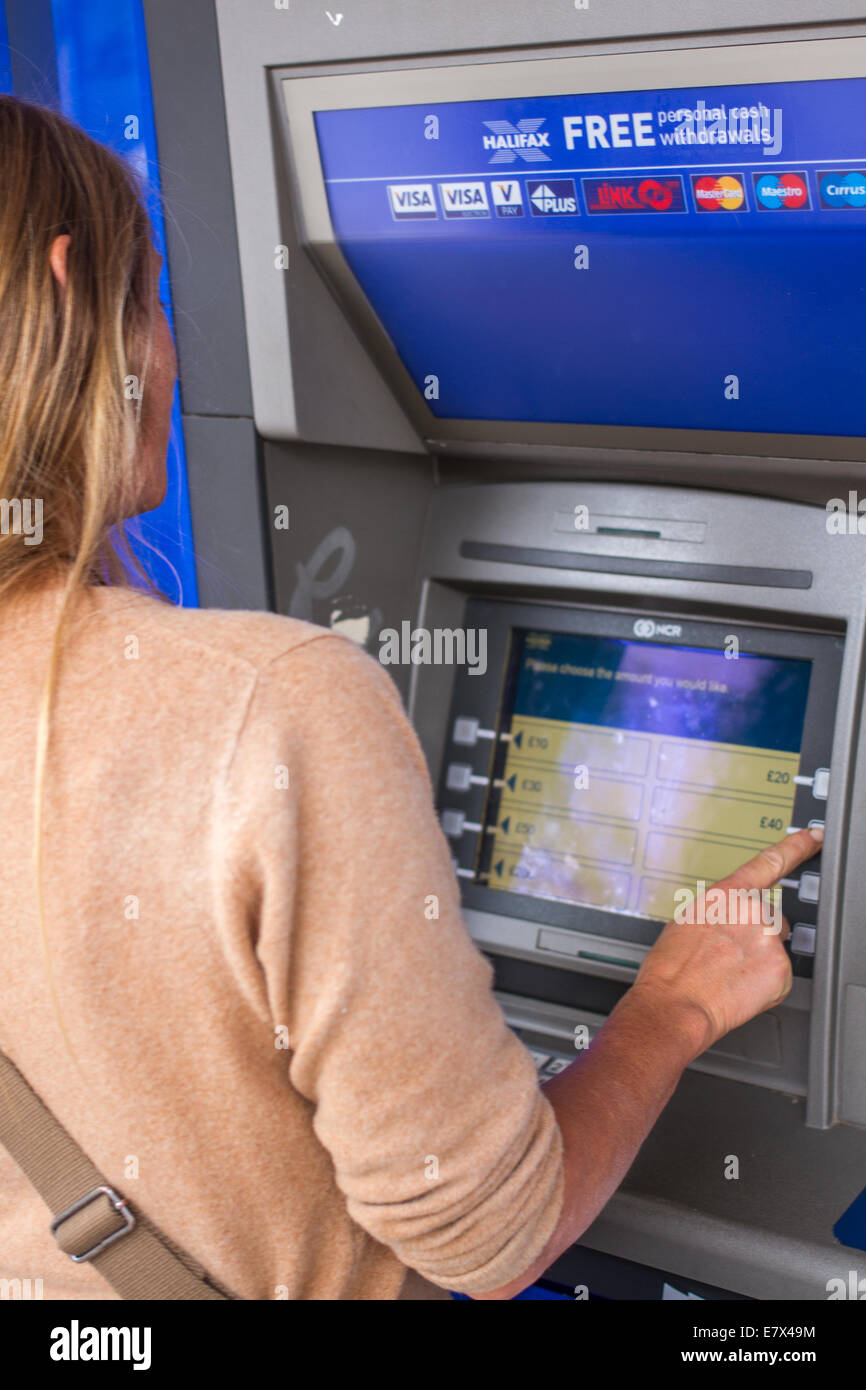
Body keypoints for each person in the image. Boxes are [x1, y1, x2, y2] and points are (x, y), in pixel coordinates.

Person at [0, 94, 822, 1301]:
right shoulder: (269, 704)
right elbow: (490, 1240)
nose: (171, 352)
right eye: (154, 297)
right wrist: (672, 1006)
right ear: (76, 293)